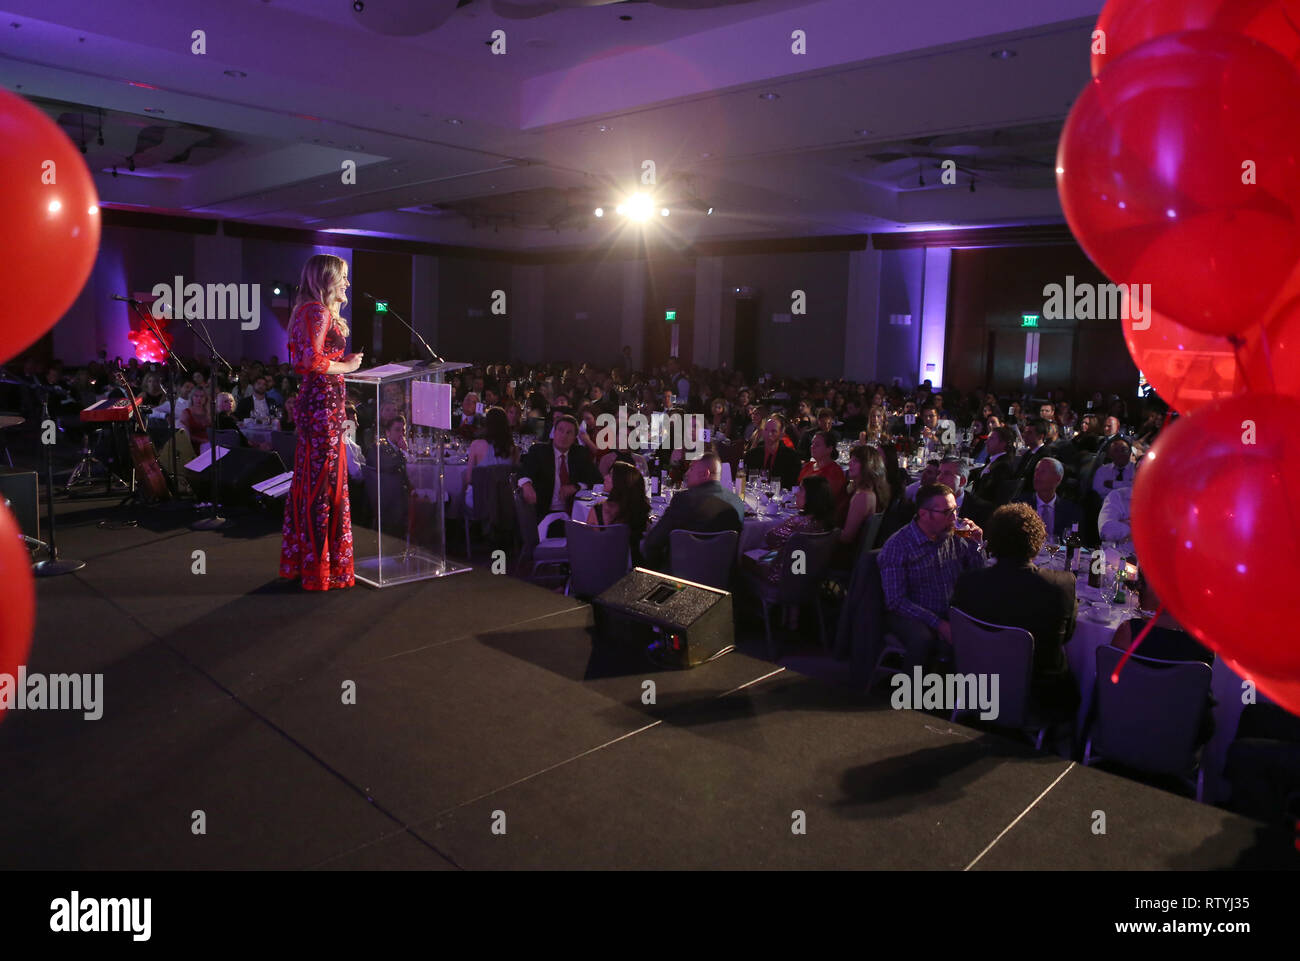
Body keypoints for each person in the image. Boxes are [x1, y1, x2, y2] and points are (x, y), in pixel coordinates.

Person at [950, 503, 1080, 728]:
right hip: (1038, 689)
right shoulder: (1061, 585)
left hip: (977, 681)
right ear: (1037, 542)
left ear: (994, 541)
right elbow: (1067, 637)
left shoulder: (968, 582)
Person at [280, 254, 364, 591]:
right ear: (326, 279)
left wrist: (343, 362)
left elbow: (316, 358)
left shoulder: (315, 312)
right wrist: (348, 368)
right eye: (342, 277)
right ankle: (319, 568)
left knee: (320, 482)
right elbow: (309, 360)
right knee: (322, 485)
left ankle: (316, 564)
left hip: (322, 406)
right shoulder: (315, 311)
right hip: (320, 409)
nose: (347, 283)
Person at [878, 483, 985, 669]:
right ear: (924, 513)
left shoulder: (953, 535)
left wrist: (977, 545)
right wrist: (938, 624)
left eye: (955, 510)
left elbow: (977, 574)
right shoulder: (899, 545)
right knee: (922, 639)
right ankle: (913, 693)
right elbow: (895, 601)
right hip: (913, 612)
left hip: (949, 607)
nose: (954, 518)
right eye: (947, 513)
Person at [642, 452, 744, 571]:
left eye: (691, 469)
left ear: (705, 474)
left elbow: (653, 542)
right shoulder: (737, 501)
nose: (687, 473)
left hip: (682, 576)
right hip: (722, 577)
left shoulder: (684, 499)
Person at [518, 414, 601, 531]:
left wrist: (576, 487)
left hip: (574, 514)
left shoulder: (580, 453)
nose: (564, 436)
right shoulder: (539, 451)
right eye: (560, 430)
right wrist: (526, 485)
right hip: (544, 513)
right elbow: (523, 471)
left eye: (569, 433)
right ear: (554, 432)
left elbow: (597, 480)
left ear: (574, 438)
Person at [753, 474, 837, 586]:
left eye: (801, 490)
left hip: (783, 578)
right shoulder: (827, 523)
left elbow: (770, 538)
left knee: (748, 555)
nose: (796, 493)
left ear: (812, 496)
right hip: (811, 579)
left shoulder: (798, 522)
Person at [591, 460, 651, 568]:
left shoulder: (597, 511)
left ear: (620, 482)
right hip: (632, 575)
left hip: (600, 570)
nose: (605, 477)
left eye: (610, 475)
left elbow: (589, 546)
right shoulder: (639, 511)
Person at [1013, 457, 1082, 541]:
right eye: (1036, 471)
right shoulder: (1019, 506)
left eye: (1043, 472)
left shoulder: (1071, 511)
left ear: (1058, 479)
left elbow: (1077, 542)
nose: (1036, 475)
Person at [465, 406, 519, 512]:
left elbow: (469, 478)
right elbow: (515, 479)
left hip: (480, 500)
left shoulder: (476, 445)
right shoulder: (513, 449)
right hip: (505, 502)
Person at [743, 413, 801, 489]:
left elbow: (791, 485)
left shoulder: (791, 457)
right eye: (766, 430)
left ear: (781, 434)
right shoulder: (752, 455)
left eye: (773, 431)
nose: (769, 434)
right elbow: (746, 481)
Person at [796, 430, 848, 511]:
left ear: (829, 449)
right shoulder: (808, 466)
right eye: (812, 443)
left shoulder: (834, 472)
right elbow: (797, 489)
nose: (812, 446)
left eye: (817, 444)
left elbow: (825, 502)